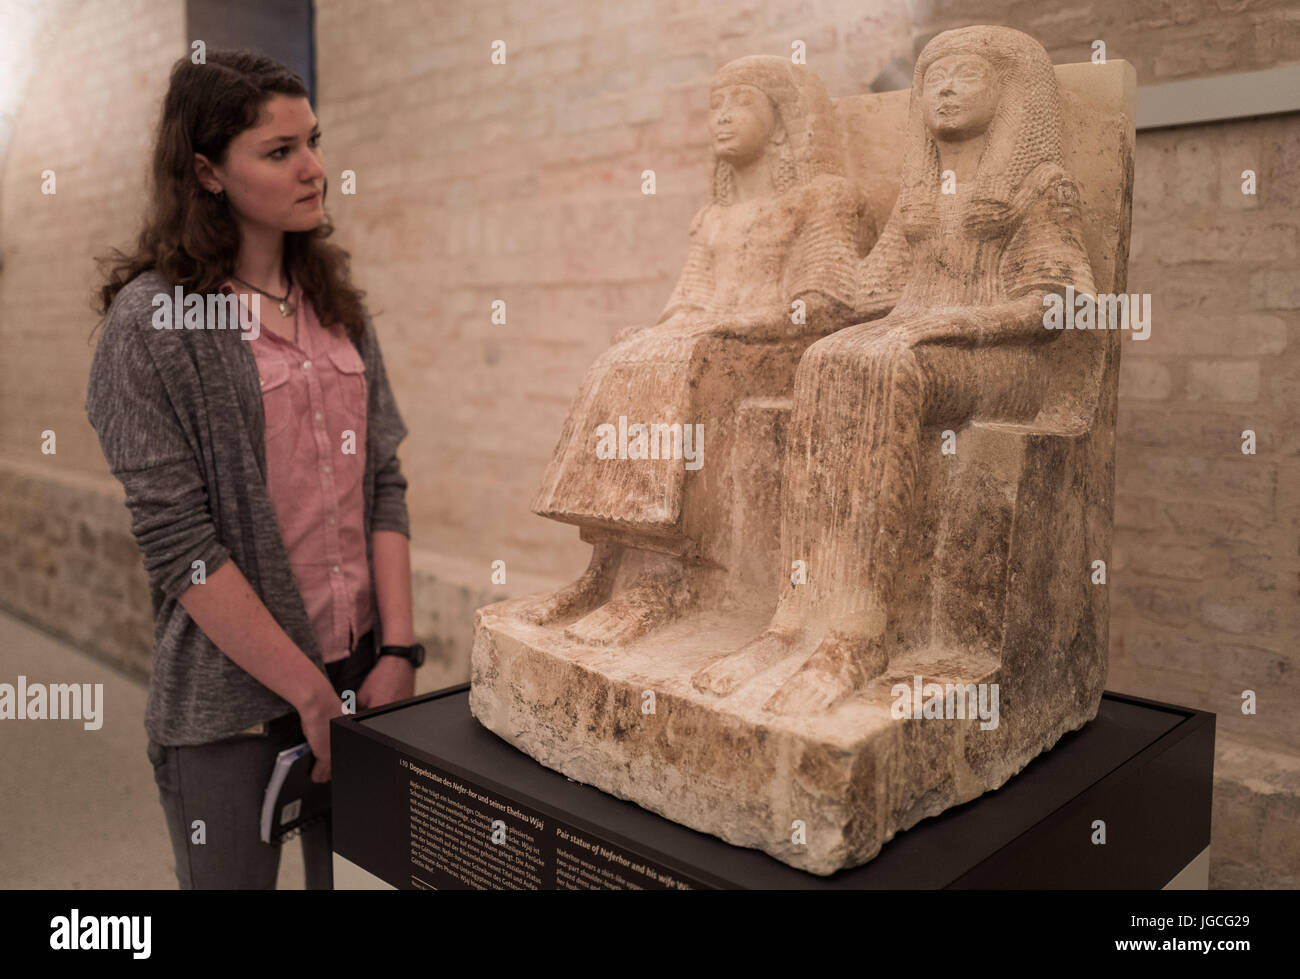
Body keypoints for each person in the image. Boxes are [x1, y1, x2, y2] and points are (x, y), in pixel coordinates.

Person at [85, 50, 421, 888]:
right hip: (236, 701)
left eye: (314, 141)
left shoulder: (337, 304)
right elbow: (179, 541)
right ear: (206, 171)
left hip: (362, 672)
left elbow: (383, 479)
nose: (315, 168)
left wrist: (401, 650)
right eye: (279, 152)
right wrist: (308, 692)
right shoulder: (154, 324)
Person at [694, 26, 1097, 713]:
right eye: (934, 77)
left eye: (965, 76)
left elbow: (1055, 307)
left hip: (1003, 363)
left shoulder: (1039, 182)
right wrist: (807, 253)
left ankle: (860, 629)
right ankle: (795, 618)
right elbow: (865, 292)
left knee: (878, 364)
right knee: (829, 357)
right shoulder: (920, 193)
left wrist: (952, 321)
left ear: (1010, 97)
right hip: (914, 342)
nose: (942, 88)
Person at [523, 56, 874, 646]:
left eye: (739, 104)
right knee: (623, 357)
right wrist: (660, 331)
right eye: (714, 107)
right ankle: (604, 570)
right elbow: (687, 303)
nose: (722, 118)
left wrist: (731, 326)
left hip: (780, 350)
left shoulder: (821, 198)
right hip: (713, 342)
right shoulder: (712, 216)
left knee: (682, 364)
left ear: (782, 121)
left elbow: (825, 302)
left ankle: (663, 579)